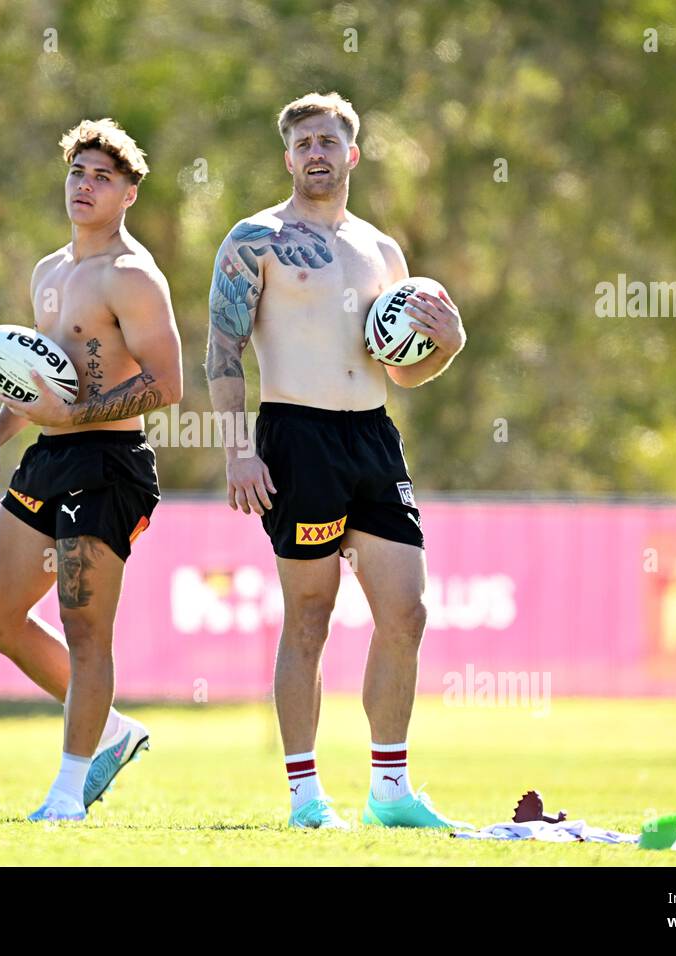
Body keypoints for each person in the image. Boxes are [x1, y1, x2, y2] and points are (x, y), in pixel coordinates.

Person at [205, 92, 468, 829]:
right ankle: (305, 798)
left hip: (373, 437)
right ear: (287, 157)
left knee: (407, 612)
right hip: (296, 437)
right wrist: (239, 450)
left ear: (352, 154)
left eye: (328, 140)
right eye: (302, 143)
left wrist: (449, 344)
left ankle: (389, 790)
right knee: (310, 618)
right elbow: (222, 350)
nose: (315, 152)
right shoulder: (254, 238)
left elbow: (402, 367)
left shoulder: (384, 251)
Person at [0, 118, 182, 822]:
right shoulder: (49, 272)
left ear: (128, 196)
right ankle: (113, 729)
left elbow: (167, 384)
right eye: (77, 173)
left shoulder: (133, 276)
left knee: (85, 629)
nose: (85, 186)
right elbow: (39, 382)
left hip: (112, 464)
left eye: (102, 178)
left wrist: (70, 420)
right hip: (50, 457)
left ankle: (67, 792)